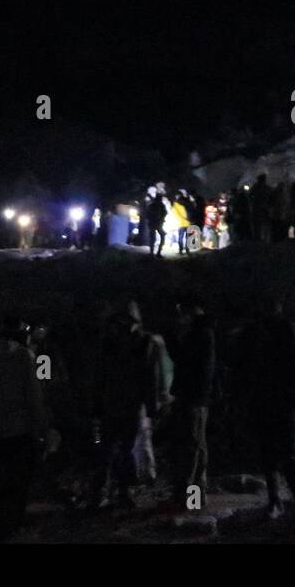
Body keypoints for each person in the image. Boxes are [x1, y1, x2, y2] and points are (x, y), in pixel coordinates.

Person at [0, 315, 47, 542]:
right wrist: (41, 428)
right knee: (14, 482)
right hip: (17, 430)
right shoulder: (24, 357)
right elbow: (33, 396)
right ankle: (8, 528)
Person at [240, 300, 295, 519]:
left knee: (288, 449)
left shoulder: (285, 329)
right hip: (261, 397)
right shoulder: (252, 331)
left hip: (282, 398)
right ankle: (275, 500)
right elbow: (245, 365)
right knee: (267, 451)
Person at [92, 302, 168, 508]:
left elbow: (100, 375)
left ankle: (106, 492)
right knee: (119, 450)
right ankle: (118, 493)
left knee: (113, 450)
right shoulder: (143, 342)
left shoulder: (112, 340)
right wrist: (152, 407)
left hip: (117, 403)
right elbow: (150, 378)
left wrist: (96, 402)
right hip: (126, 404)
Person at [171, 296, 216, 510]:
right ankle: (195, 497)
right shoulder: (201, 335)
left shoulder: (199, 336)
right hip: (195, 398)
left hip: (194, 399)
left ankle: (192, 498)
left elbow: (186, 364)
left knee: (193, 448)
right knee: (196, 446)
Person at [145, 188, 168, 256]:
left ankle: (152, 252)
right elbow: (165, 213)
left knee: (152, 238)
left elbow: (147, 214)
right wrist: (162, 218)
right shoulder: (161, 205)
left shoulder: (151, 205)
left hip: (152, 224)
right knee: (162, 236)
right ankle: (158, 252)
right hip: (158, 224)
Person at [251, 174, 273, 243]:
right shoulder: (268, 188)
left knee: (257, 225)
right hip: (264, 209)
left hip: (257, 209)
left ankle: (258, 239)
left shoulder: (256, 187)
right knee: (264, 225)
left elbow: (250, 195)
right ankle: (265, 239)